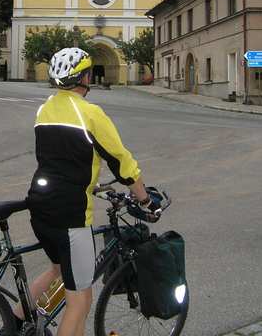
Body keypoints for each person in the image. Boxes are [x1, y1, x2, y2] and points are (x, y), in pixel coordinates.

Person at [16, 47, 159, 336]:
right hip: (70, 215)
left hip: (40, 206)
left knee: (57, 270)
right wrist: (145, 199)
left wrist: (93, 185)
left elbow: (62, 158)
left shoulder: (44, 110)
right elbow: (121, 162)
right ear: (83, 77)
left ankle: (10, 324)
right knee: (80, 300)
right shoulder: (90, 113)